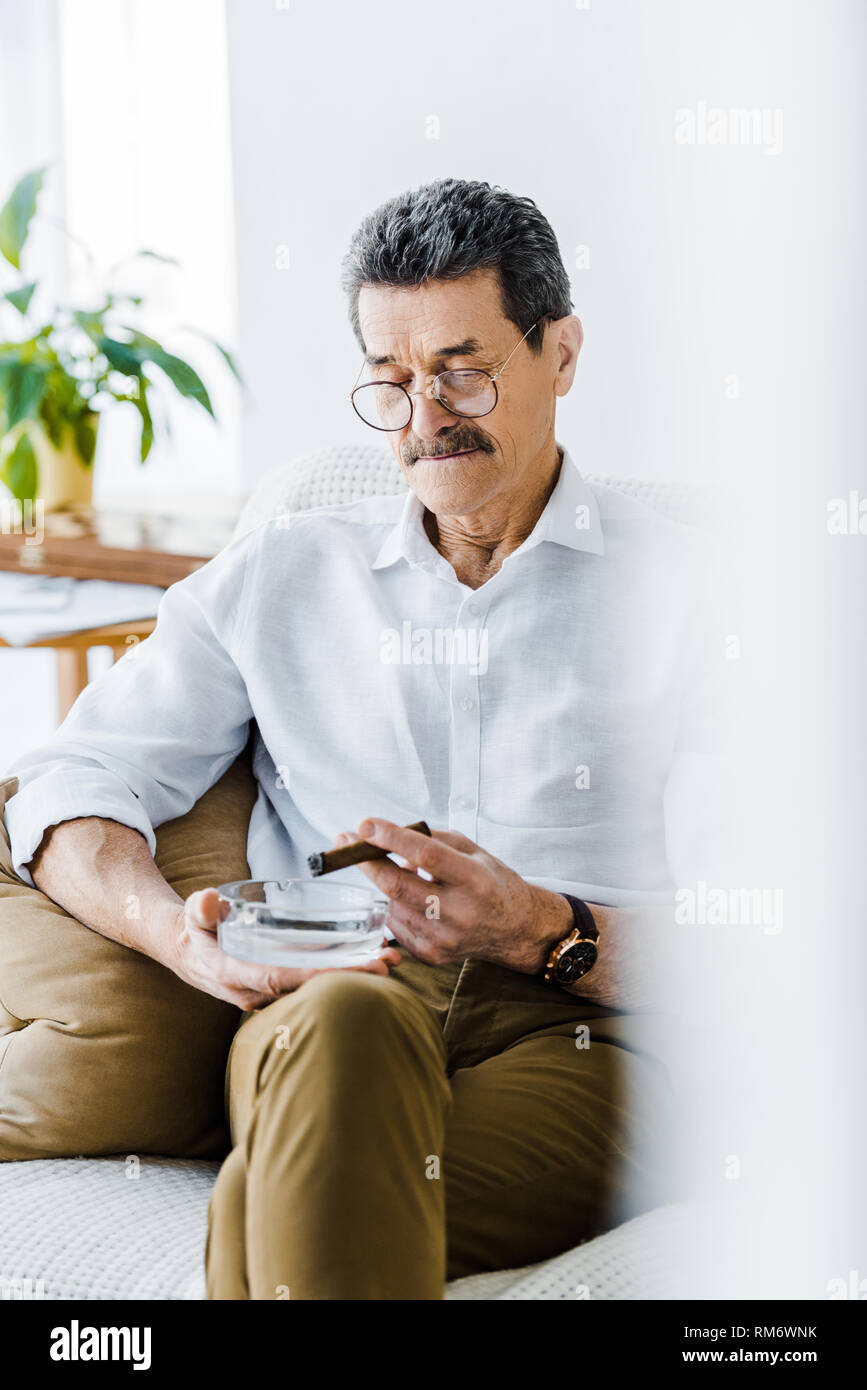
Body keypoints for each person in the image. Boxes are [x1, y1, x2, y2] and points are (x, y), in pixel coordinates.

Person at [4, 179, 719, 1299]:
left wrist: (539, 925)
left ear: (562, 352)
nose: (428, 419)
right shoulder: (283, 572)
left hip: (576, 1035)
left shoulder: (698, 599)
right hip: (330, 1011)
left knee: (281, 1199)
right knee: (340, 1022)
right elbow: (68, 780)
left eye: (462, 369)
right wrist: (181, 941)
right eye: (392, 385)